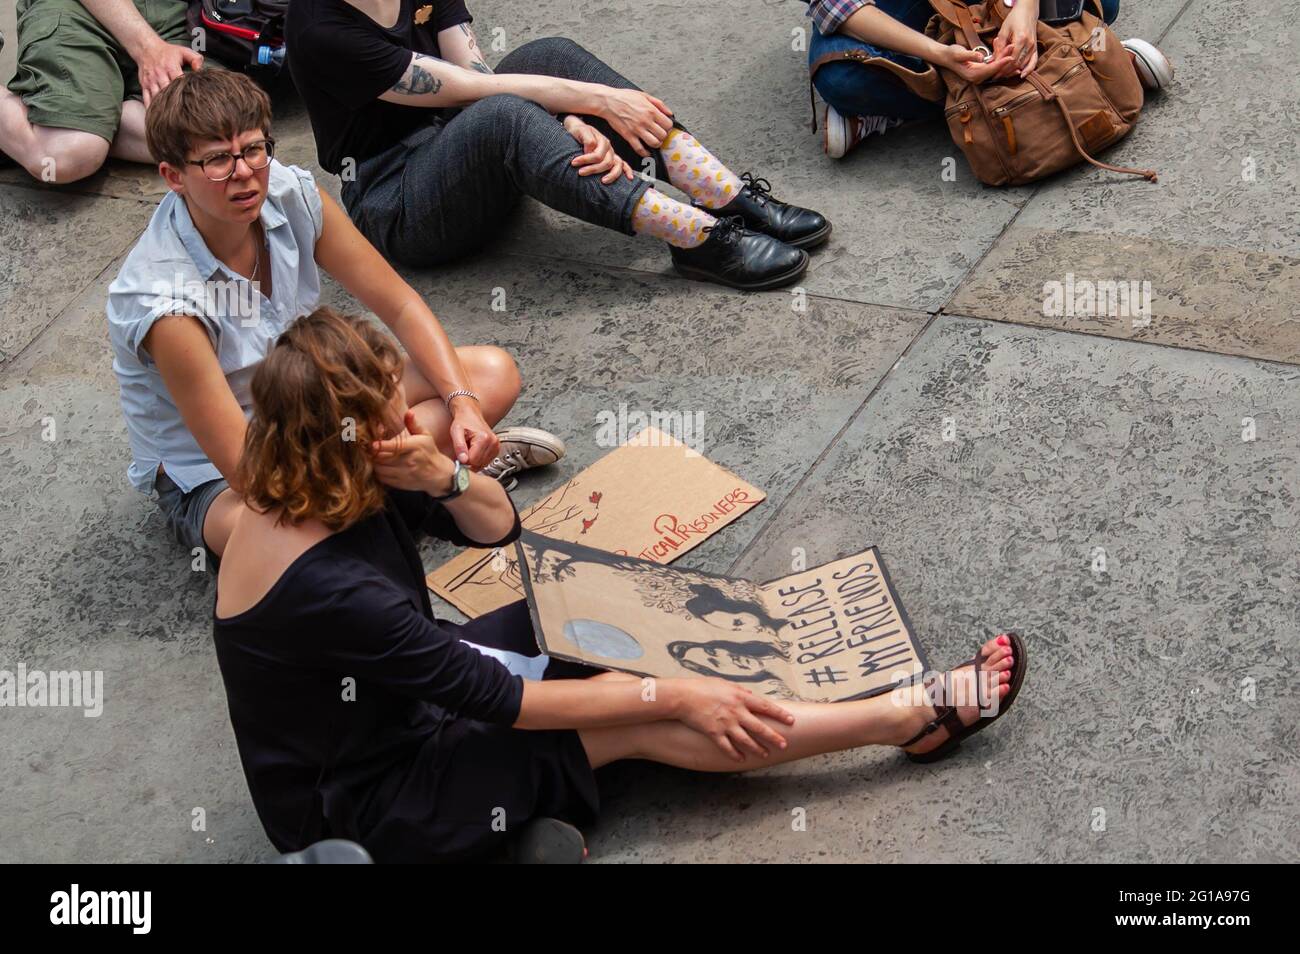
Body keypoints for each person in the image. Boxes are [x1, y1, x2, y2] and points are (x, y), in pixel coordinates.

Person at [211, 306, 1028, 862]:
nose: (407, 420)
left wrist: (445, 477)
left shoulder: (336, 473)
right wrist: (670, 698)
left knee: (606, 623)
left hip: (408, 702)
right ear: (345, 438)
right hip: (369, 795)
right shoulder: (329, 590)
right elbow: (505, 704)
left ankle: (520, 818)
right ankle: (901, 720)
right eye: (393, 414)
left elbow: (501, 528)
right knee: (631, 713)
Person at [106, 69, 563, 564]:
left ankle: (416, 480)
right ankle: (431, 481)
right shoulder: (167, 303)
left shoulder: (288, 193)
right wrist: (395, 451)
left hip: (317, 410)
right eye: (217, 161)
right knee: (279, 532)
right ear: (174, 176)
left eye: (255, 149)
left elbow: (401, 304)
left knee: (489, 376)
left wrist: (463, 406)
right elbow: (246, 471)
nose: (243, 174)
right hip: (221, 473)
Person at [284, 0, 831, 291]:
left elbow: (473, 70)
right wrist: (588, 103)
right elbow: (472, 93)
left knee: (550, 54)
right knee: (510, 111)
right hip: (401, 200)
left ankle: (725, 195)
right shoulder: (320, 28)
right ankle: (697, 238)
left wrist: (570, 114)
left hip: (464, 134)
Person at [805, 0, 1174, 158]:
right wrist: (939, 55)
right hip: (899, 12)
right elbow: (836, 6)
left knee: (1105, 1)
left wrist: (1025, 11)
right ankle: (1088, 68)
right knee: (841, 80)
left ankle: (906, 101)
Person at [0, 0, 201, 182]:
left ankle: (82, 118)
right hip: (80, 8)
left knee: (207, 137)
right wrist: (149, 48)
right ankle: (72, 125)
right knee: (63, 155)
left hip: (185, 19)